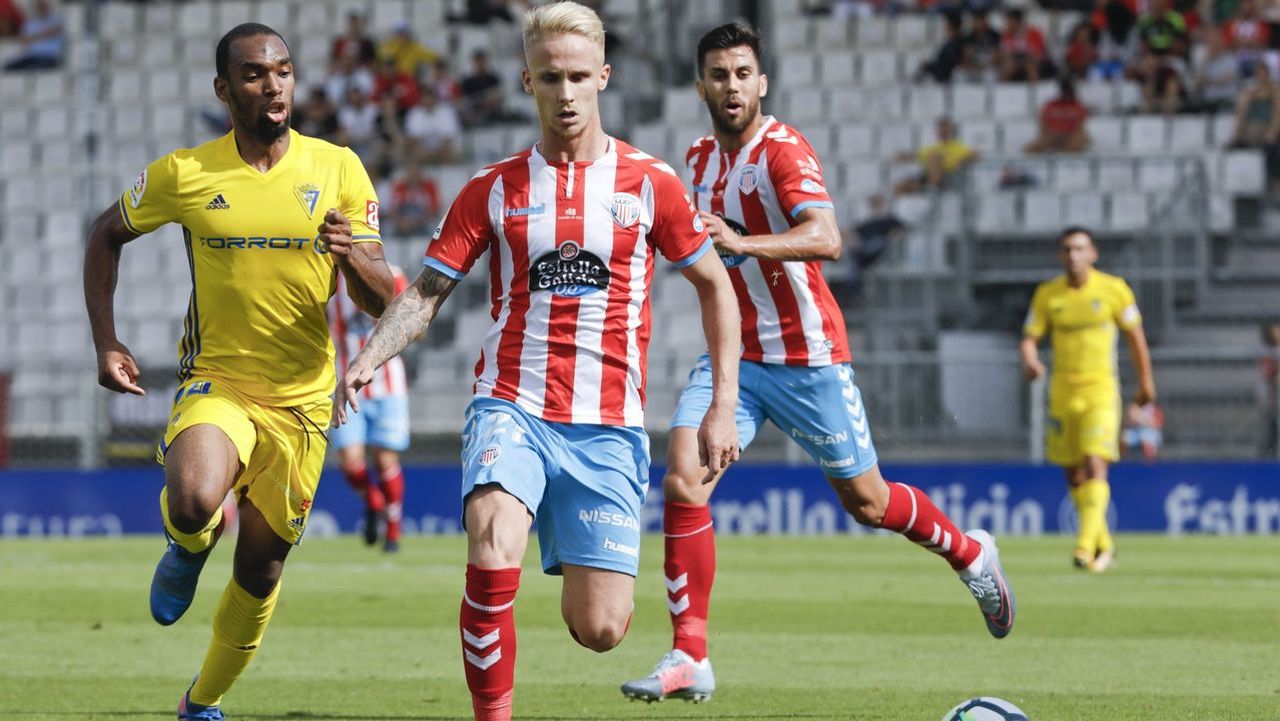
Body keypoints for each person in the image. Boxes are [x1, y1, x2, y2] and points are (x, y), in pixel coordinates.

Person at [332, 4, 741, 720]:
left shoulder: (650, 183)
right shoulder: (493, 188)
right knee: (491, 540)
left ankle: (568, 542)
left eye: (580, 75)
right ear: (528, 81)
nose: (567, 91)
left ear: (604, 77)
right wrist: (370, 354)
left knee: (602, 628)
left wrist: (722, 401)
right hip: (511, 403)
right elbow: (426, 291)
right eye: (550, 76)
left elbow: (715, 284)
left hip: (608, 424)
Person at [619, 22, 1016, 706]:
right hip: (736, 354)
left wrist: (745, 241)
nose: (732, 85)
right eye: (719, 74)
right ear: (700, 86)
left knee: (869, 501)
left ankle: (971, 554)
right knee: (685, 477)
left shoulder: (783, 149)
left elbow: (828, 237)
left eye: (743, 72)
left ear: (762, 81)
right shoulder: (697, 157)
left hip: (808, 355)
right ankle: (691, 654)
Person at [83, 23, 393, 721]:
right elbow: (105, 232)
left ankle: (203, 700)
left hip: (304, 400)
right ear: (224, 90)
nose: (273, 84)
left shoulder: (338, 167)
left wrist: (353, 258)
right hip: (217, 379)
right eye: (254, 74)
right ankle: (188, 541)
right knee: (194, 496)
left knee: (261, 568)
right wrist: (107, 340)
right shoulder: (186, 173)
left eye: (282, 70)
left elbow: (380, 300)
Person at [1020, 227, 1156, 574]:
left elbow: (1136, 338)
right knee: (1074, 472)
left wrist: (1145, 383)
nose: (1073, 256)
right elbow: (1030, 337)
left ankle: (1083, 544)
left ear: (1093, 253)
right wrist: (1031, 359)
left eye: (1080, 248)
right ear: (1059, 255)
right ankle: (1104, 543)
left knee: (1096, 461)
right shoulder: (1048, 294)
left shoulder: (1114, 289)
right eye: (1067, 249)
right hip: (1062, 394)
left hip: (1101, 391)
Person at [329, 267, 411, 552]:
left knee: (385, 459)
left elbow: (415, 322)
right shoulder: (327, 281)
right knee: (350, 461)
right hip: (345, 382)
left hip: (388, 384)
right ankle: (374, 501)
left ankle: (393, 532)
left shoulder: (393, 275)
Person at [892, 116, 978, 194]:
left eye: (945, 130)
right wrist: (903, 156)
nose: (942, 133)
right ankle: (924, 190)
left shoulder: (958, 147)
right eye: (940, 130)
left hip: (948, 176)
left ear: (950, 131)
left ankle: (931, 186)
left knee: (935, 156)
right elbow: (916, 155)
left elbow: (974, 155)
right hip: (927, 176)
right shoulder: (932, 147)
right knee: (898, 187)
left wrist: (966, 158)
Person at [1026, 78, 1090, 154]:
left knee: (1078, 140)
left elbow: (1080, 125)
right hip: (1052, 135)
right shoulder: (1051, 105)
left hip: (1070, 136)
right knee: (1033, 147)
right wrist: (1050, 132)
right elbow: (1042, 121)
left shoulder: (1078, 106)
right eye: (1064, 91)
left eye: (1068, 92)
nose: (1066, 94)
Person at [3, 0, 62, 72]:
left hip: (49, 56)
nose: (41, 8)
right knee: (8, 68)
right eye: (39, 6)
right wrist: (44, 34)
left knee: (37, 68)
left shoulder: (56, 19)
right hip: (32, 57)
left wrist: (34, 37)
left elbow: (56, 30)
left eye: (42, 6)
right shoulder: (30, 24)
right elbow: (23, 40)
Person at [1256, 321, 1280, 457]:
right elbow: (1267, 371)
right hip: (1269, 396)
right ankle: (1265, 457)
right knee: (1268, 430)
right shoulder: (1266, 350)